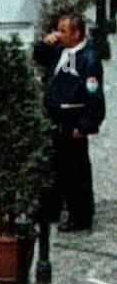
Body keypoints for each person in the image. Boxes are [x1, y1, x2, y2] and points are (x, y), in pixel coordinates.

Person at [34, 12, 105, 232]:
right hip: (55, 117)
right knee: (54, 166)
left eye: (63, 31)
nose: (59, 34)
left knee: (76, 171)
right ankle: (51, 208)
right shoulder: (63, 51)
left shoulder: (88, 59)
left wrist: (86, 124)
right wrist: (44, 45)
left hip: (72, 119)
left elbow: (94, 94)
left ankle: (80, 216)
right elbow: (43, 61)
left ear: (76, 33)